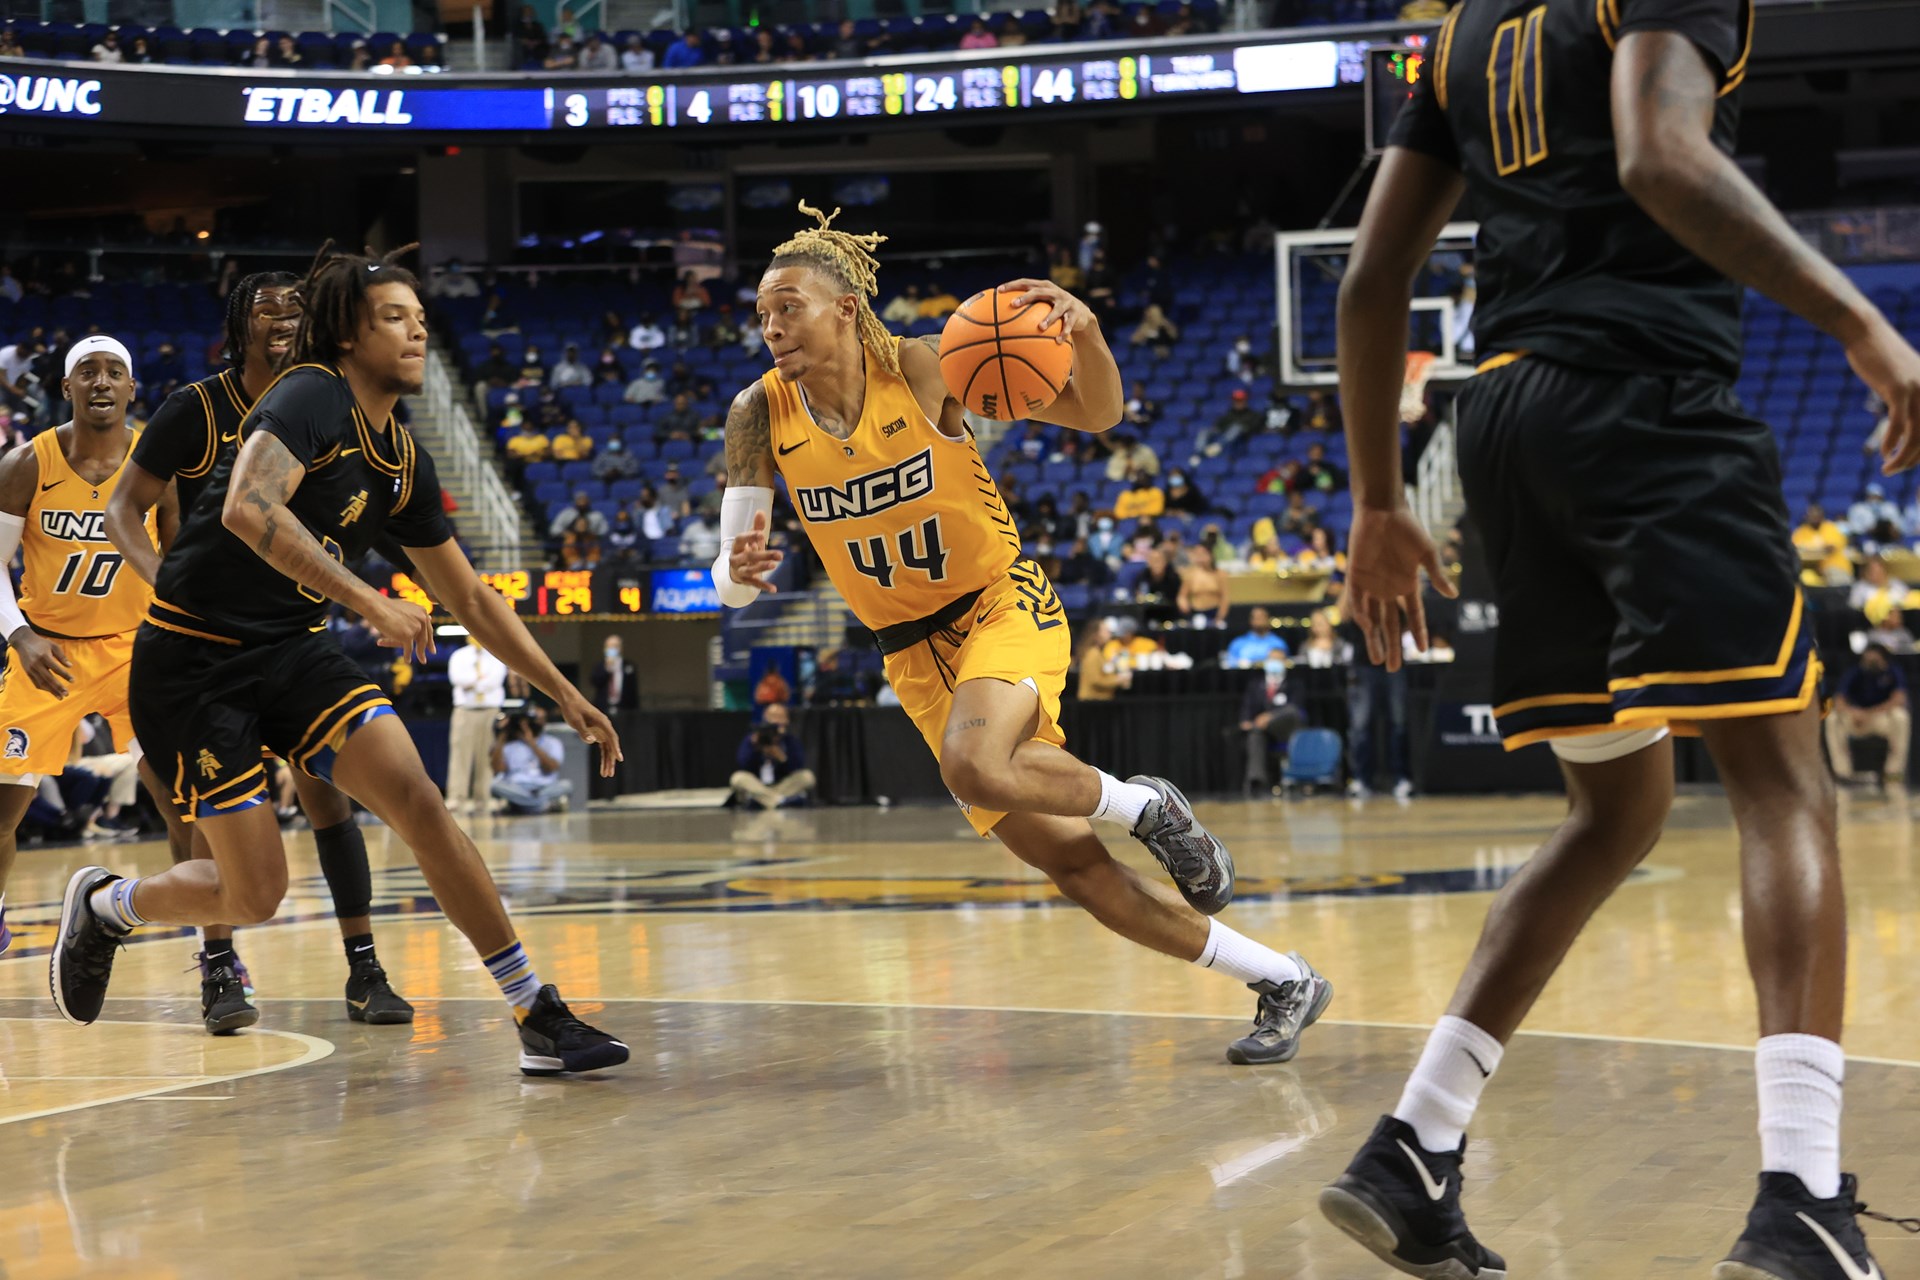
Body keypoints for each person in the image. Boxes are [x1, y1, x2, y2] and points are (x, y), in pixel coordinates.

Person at [1321, 1, 1920, 1274]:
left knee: (1615, 813)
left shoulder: (1471, 22)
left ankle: (1413, 1146)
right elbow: (1659, 155)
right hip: (1644, 405)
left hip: (1504, 424)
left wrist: (1377, 500)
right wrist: (1862, 324)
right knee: (1783, 785)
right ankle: (1803, 1196)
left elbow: (1375, 280)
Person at [718, 203, 1330, 1064]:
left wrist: (1085, 335)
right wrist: (734, 574)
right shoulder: (756, 412)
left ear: (845, 307)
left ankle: (1148, 806)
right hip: (911, 656)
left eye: (788, 305)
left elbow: (1100, 415)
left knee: (974, 762)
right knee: (1077, 871)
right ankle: (1283, 980)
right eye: (761, 313)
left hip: (1000, 606)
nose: (770, 326)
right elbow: (732, 585)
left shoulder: (926, 368)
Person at [65, 246, 627, 1079]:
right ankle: (109, 905)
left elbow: (472, 599)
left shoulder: (401, 457)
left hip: (291, 649)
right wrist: (371, 602)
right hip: (194, 661)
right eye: (394, 318)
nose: (416, 334)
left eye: (422, 321)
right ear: (348, 334)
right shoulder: (309, 395)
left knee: (419, 800)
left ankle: (533, 1009)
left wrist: (562, 693)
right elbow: (253, 511)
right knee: (254, 895)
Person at [102, 273, 424, 1032]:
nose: (282, 320)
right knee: (209, 816)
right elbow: (124, 507)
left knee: (328, 793)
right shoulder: (197, 408)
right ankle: (219, 963)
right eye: (265, 309)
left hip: (292, 633)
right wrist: (158, 586)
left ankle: (363, 965)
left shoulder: (327, 406)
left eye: (296, 310)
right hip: (205, 645)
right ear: (236, 323)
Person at [1825, 643, 1908, 790]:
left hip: (1879, 719)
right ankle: (1842, 772)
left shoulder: (1893, 671)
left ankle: (1893, 773)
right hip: (1856, 719)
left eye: (1873, 658)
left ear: (1882, 658)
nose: (1869, 661)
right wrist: (1853, 712)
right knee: (1832, 718)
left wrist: (1869, 713)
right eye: (1866, 658)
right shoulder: (1855, 671)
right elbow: (1839, 700)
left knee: (1900, 717)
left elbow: (1899, 699)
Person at [445, 635, 506, 816]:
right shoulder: (459, 655)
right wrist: (479, 680)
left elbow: (494, 681)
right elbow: (457, 679)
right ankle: (456, 798)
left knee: (487, 756)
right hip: (465, 709)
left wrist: (473, 682)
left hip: (490, 710)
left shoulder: (497, 656)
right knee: (460, 755)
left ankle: (483, 798)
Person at [729, 702, 816, 809]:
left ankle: (765, 801)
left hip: (782, 787)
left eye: (780, 717)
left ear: (787, 720)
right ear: (765, 718)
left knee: (807, 777)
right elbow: (743, 763)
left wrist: (782, 758)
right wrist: (755, 748)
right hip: (759, 786)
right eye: (773, 717)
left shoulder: (790, 740)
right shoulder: (753, 739)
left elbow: (798, 765)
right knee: (738, 778)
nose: (776, 721)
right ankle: (778, 801)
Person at [1236, 656, 1300, 795]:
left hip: (1287, 729)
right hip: (1264, 731)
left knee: (1291, 712)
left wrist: (1270, 717)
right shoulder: (1256, 684)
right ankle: (1256, 781)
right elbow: (1247, 708)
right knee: (1255, 733)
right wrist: (1246, 721)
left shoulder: (1294, 683)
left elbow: (1296, 708)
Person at [489, 706, 571, 813]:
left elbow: (551, 768)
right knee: (495, 785)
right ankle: (541, 806)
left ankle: (522, 804)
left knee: (566, 785)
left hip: (544, 787)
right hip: (517, 787)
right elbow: (498, 769)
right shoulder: (509, 745)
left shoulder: (552, 742)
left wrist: (531, 743)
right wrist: (502, 736)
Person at [1792, 502, 1851, 585]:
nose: (1814, 518)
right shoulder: (1801, 531)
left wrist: (1809, 549)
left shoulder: (1830, 527)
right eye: (1811, 515)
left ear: (1822, 516)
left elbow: (1830, 549)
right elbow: (1794, 548)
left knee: (1834, 577)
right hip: (1808, 568)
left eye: (1816, 515)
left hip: (1834, 567)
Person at [1177, 544, 1229, 628]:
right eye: (1197, 554)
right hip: (1196, 612)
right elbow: (1182, 596)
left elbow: (1224, 597)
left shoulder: (1219, 574)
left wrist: (1220, 616)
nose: (1200, 558)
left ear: (1211, 555)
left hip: (1214, 612)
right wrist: (1183, 604)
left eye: (1203, 554)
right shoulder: (1191, 574)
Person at [1074, 621, 1129, 701]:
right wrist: (1119, 679)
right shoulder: (1093, 654)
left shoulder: (1098, 652)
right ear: (1096, 634)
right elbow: (1095, 680)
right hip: (1091, 702)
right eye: (1106, 631)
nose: (1109, 633)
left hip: (1098, 700)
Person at [593, 635, 638, 714]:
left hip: (624, 709)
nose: (612, 649)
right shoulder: (600, 666)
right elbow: (595, 682)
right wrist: (608, 668)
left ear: (620, 648)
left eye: (615, 646)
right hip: (603, 708)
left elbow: (633, 690)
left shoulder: (628, 666)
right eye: (609, 646)